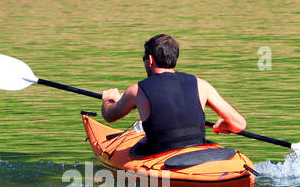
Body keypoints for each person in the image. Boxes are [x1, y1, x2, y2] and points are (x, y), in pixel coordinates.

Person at [101, 34, 247, 157]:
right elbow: (239, 124)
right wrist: (224, 125)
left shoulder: (137, 90)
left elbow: (110, 115)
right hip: (198, 153)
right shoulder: (201, 84)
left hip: (161, 157)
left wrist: (109, 99)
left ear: (150, 60)